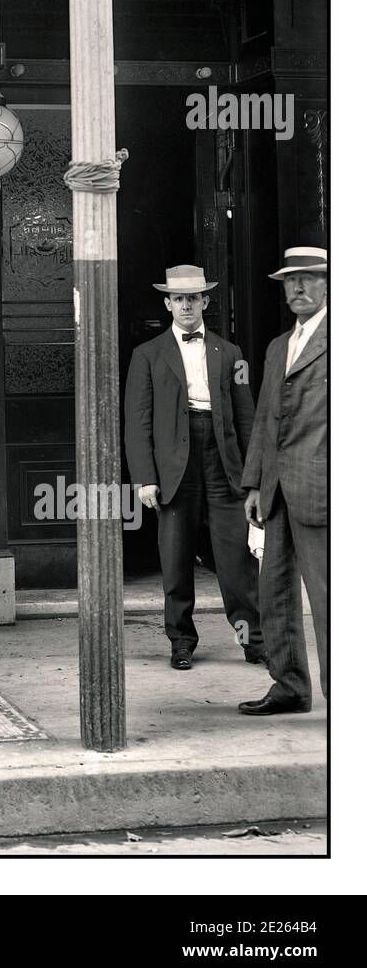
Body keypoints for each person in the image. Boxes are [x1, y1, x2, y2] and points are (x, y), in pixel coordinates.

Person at [124, 265, 264, 670]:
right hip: (173, 463)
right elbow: (138, 422)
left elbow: (247, 419)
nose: (186, 305)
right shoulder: (147, 355)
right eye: (178, 299)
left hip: (224, 461)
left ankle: (252, 639)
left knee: (236, 557)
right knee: (176, 557)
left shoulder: (231, 353)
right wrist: (145, 478)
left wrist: (252, 477)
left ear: (205, 301)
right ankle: (181, 641)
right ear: (167, 304)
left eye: (193, 298)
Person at [239, 248, 328, 717]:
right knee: (274, 594)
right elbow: (263, 422)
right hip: (275, 492)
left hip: (323, 489)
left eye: (310, 280)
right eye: (291, 281)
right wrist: (254, 483)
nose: (299, 289)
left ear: (329, 285)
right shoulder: (278, 347)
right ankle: (289, 686)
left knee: (331, 599)